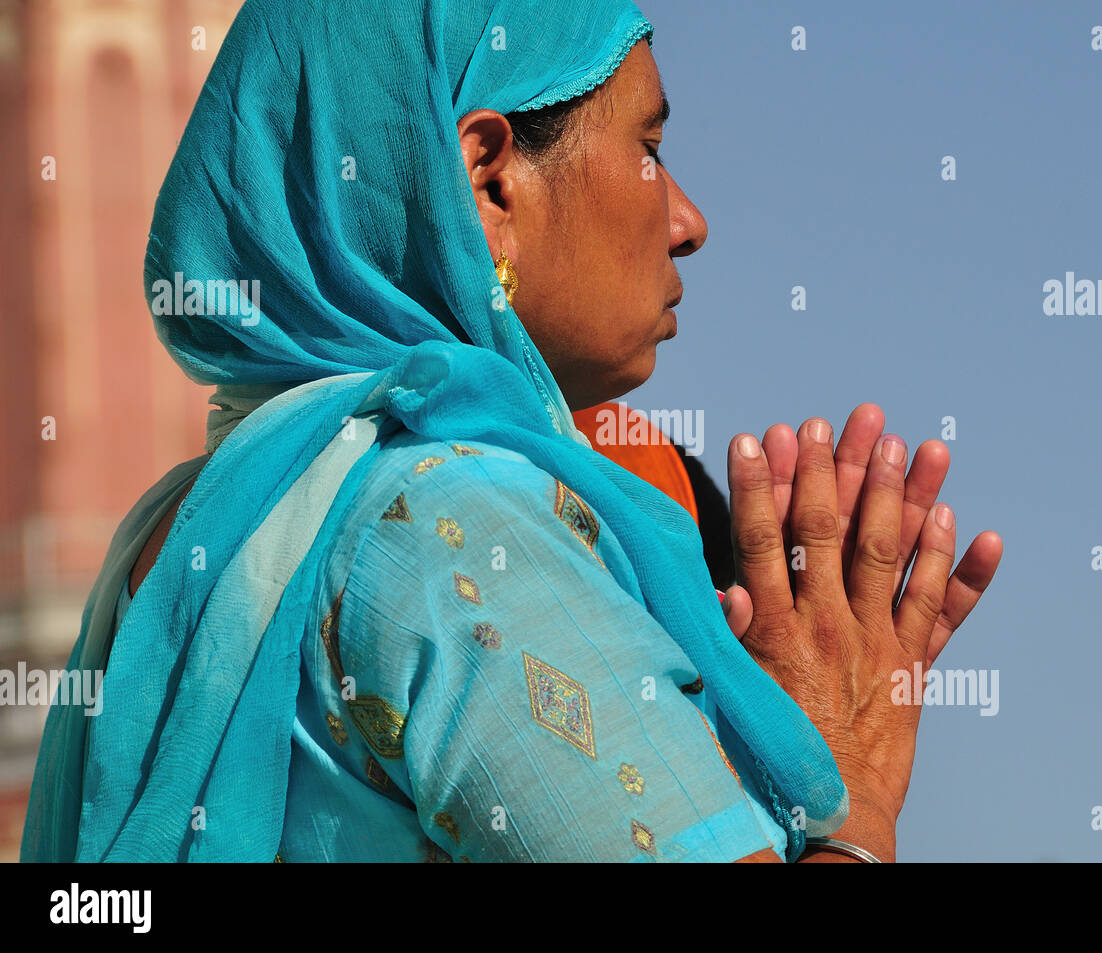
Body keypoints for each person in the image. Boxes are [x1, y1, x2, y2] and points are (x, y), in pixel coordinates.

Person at [22, 0, 1001, 863]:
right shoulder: (453, 521)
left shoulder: (186, 532)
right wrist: (849, 784)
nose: (688, 219)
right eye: (649, 149)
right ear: (489, 180)